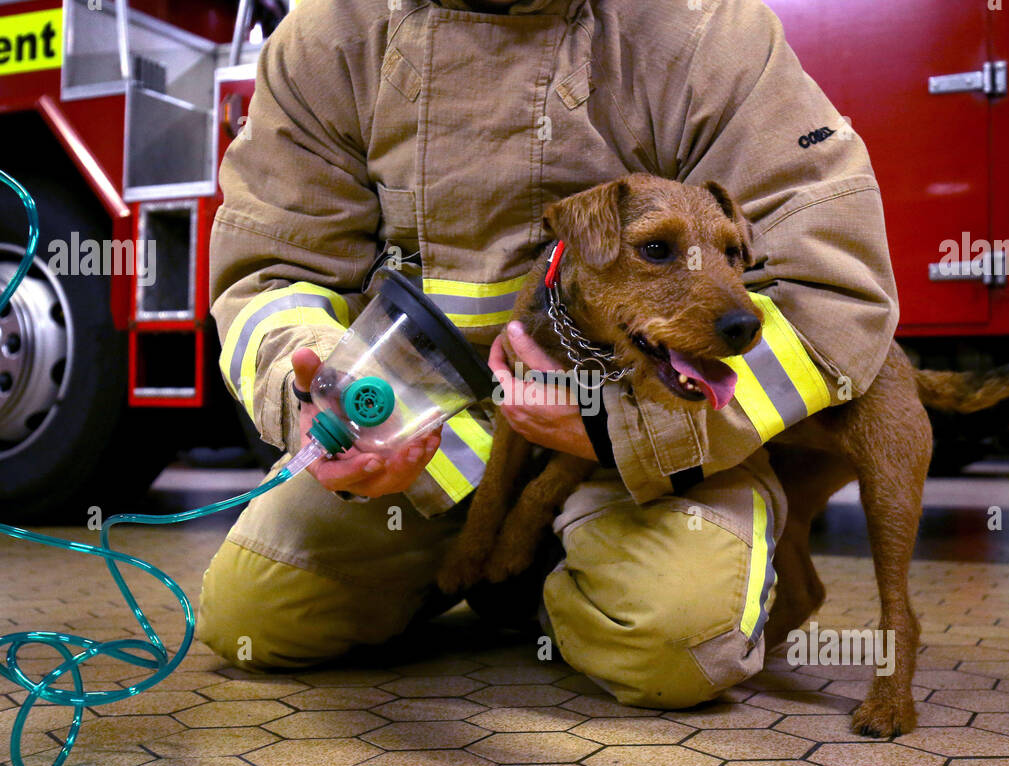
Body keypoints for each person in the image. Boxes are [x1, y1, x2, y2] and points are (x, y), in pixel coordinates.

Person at [199, 0, 898, 708]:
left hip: (641, 455)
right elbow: (275, 271)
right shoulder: (332, 30)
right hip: (421, 443)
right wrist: (332, 397)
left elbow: (829, 287)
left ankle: (547, 577)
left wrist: (624, 430)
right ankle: (523, 573)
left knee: (677, 642)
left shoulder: (705, 28)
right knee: (257, 612)